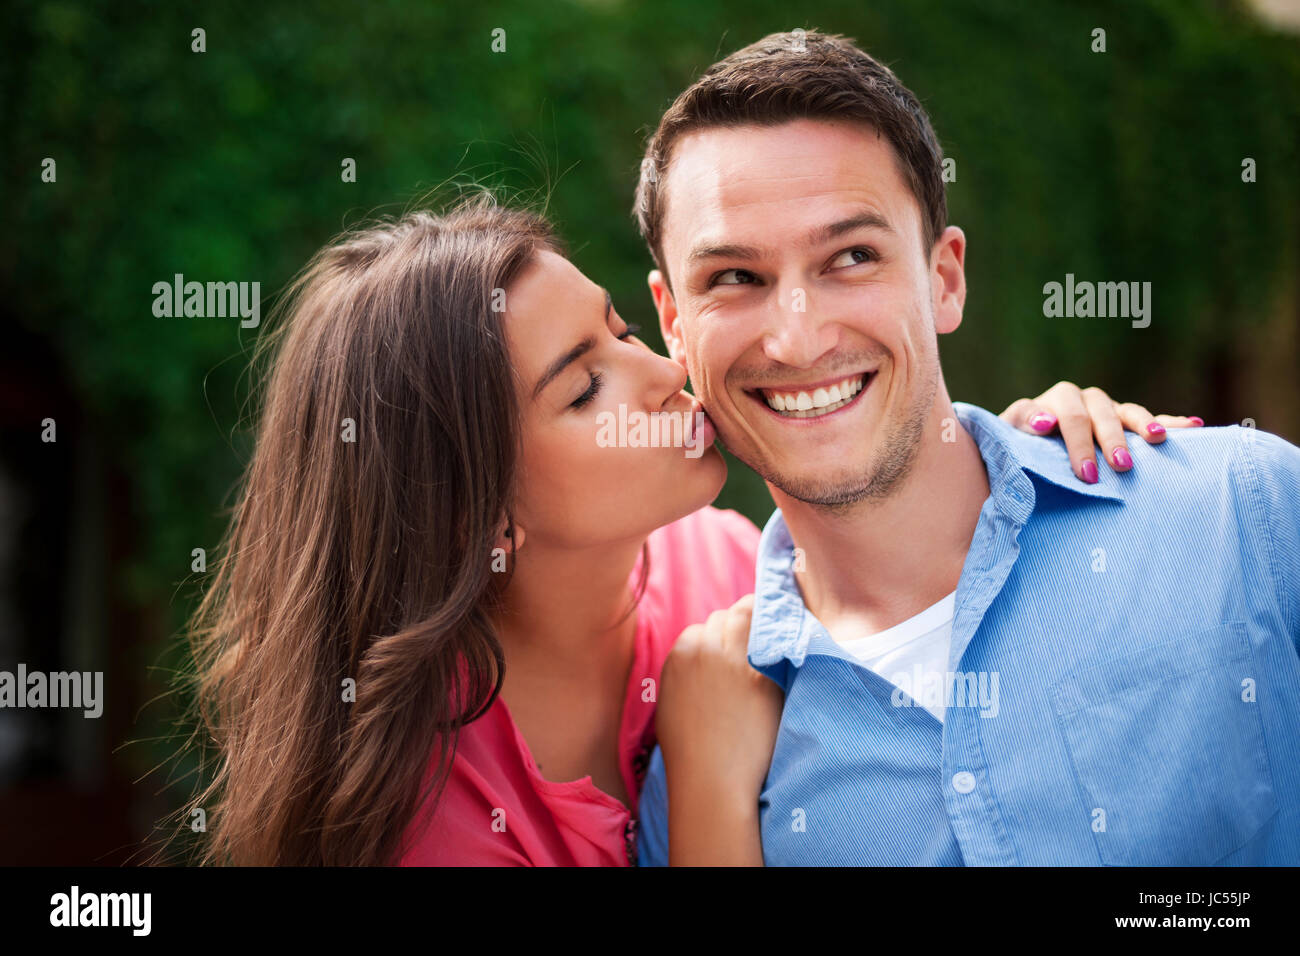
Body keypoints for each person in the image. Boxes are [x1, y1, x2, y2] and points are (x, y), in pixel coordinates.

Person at [177, 191, 1194, 866]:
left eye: (621, 330)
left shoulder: (716, 557)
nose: (664, 377)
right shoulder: (434, 823)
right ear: (473, 512)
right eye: (584, 387)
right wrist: (704, 769)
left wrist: (1011, 463)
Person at [634, 30, 1300, 866]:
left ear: (943, 279)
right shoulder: (699, 794)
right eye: (734, 278)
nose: (797, 340)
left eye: (851, 257)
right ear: (672, 323)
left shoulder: (1245, 513)